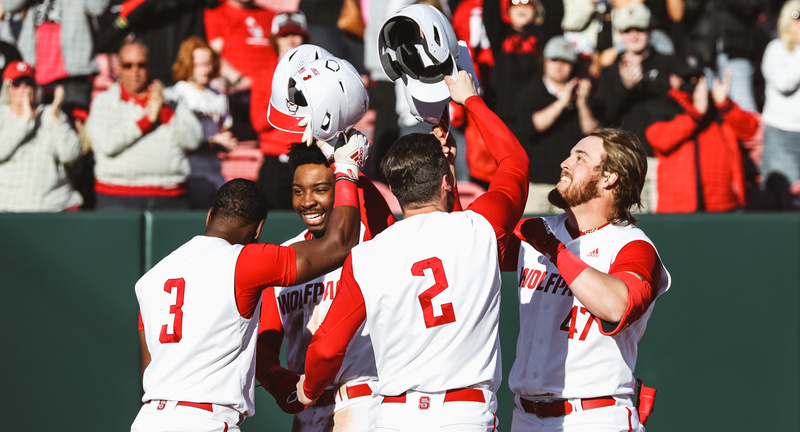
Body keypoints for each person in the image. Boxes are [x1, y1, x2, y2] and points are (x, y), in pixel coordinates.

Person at [296, 70, 529, 432]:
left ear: (395, 189)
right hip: (463, 416)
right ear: (447, 181)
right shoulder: (480, 228)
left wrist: (309, 387)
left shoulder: (369, 254)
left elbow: (327, 348)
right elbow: (515, 163)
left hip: (395, 417)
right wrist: (471, 100)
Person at [131, 130, 369, 431]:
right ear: (258, 231)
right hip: (206, 419)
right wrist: (348, 169)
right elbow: (339, 246)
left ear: (209, 216)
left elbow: (149, 368)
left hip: (150, 418)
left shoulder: (149, 280)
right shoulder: (245, 261)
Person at [501, 127, 670, 432]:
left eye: (579, 158)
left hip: (594, 416)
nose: (565, 163)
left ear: (609, 177)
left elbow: (617, 305)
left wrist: (556, 251)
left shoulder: (632, 245)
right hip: (524, 417)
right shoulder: (538, 231)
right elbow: (470, 245)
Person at [256, 142, 396, 431]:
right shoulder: (284, 254)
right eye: (298, 191)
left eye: (320, 189)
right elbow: (265, 346)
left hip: (362, 404)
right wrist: (277, 379)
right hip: (306, 410)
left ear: (341, 189)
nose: (307, 201)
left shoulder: (368, 241)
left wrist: (347, 163)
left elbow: (382, 217)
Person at [87, 39, 203, 210]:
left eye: (141, 65)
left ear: (149, 66)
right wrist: (148, 119)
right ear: (119, 67)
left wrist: (164, 111)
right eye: (128, 65)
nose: (135, 71)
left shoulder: (171, 98)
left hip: (170, 196)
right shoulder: (104, 101)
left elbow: (193, 140)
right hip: (116, 197)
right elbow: (106, 145)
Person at [592, 2, 676, 212]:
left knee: (662, 221)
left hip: (660, 159)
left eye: (640, 28)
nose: (634, 35)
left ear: (650, 30)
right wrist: (624, 87)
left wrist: (646, 83)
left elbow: (674, 110)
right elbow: (604, 117)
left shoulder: (669, 64)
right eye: (628, 30)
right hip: (626, 161)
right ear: (620, 34)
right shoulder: (610, 71)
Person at [646, 66, 759, 213]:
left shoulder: (718, 105)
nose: (691, 84)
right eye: (685, 79)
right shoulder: (666, 105)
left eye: (696, 79)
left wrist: (725, 104)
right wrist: (696, 113)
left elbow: (749, 130)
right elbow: (658, 139)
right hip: (678, 207)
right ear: (672, 79)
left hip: (723, 204)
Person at [522, 35, 598, 214]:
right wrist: (562, 102)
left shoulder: (586, 94)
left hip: (572, 185)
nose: (559, 65)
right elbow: (533, 126)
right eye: (554, 59)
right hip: (536, 184)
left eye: (565, 61)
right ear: (545, 61)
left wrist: (582, 104)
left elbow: (592, 133)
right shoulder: (530, 90)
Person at [0, 60, 83, 211]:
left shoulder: (50, 114)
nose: (23, 87)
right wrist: (24, 122)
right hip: (9, 207)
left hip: (54, 205)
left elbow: (70, 155)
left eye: (28, 82)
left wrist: (56, 117)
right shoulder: (2, 115)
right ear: (7, 88)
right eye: (17, 82)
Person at [249, 11, 310, 211]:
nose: (291, 40)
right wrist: (286, 98)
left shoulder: (317, 73)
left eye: (295, 34)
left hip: (307, 158)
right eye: (284, 35)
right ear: (275, 39)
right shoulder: (264, 74)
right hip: (275, 160)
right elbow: (259, 122)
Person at [169, 36, 239, 209]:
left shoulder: (218, 96)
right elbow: (176, 139)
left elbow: (224, 128)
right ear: (187, 64)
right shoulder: (177, 94)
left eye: (208, 63)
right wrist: (213, 141)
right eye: (199, 64)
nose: (205, 69)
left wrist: (225, 140)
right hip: (188, 174)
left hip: (215, 174)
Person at [205, 0, 277, 141]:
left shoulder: (271, 15)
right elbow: (214, 56)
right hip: (238, 91)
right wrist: (239, 79)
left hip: (270, 90)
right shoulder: (217, 13)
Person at [760, 0, 800, 209]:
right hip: (781, 135)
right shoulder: (775, 49)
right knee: (784, 202)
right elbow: (785, 83)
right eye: (798, 16)